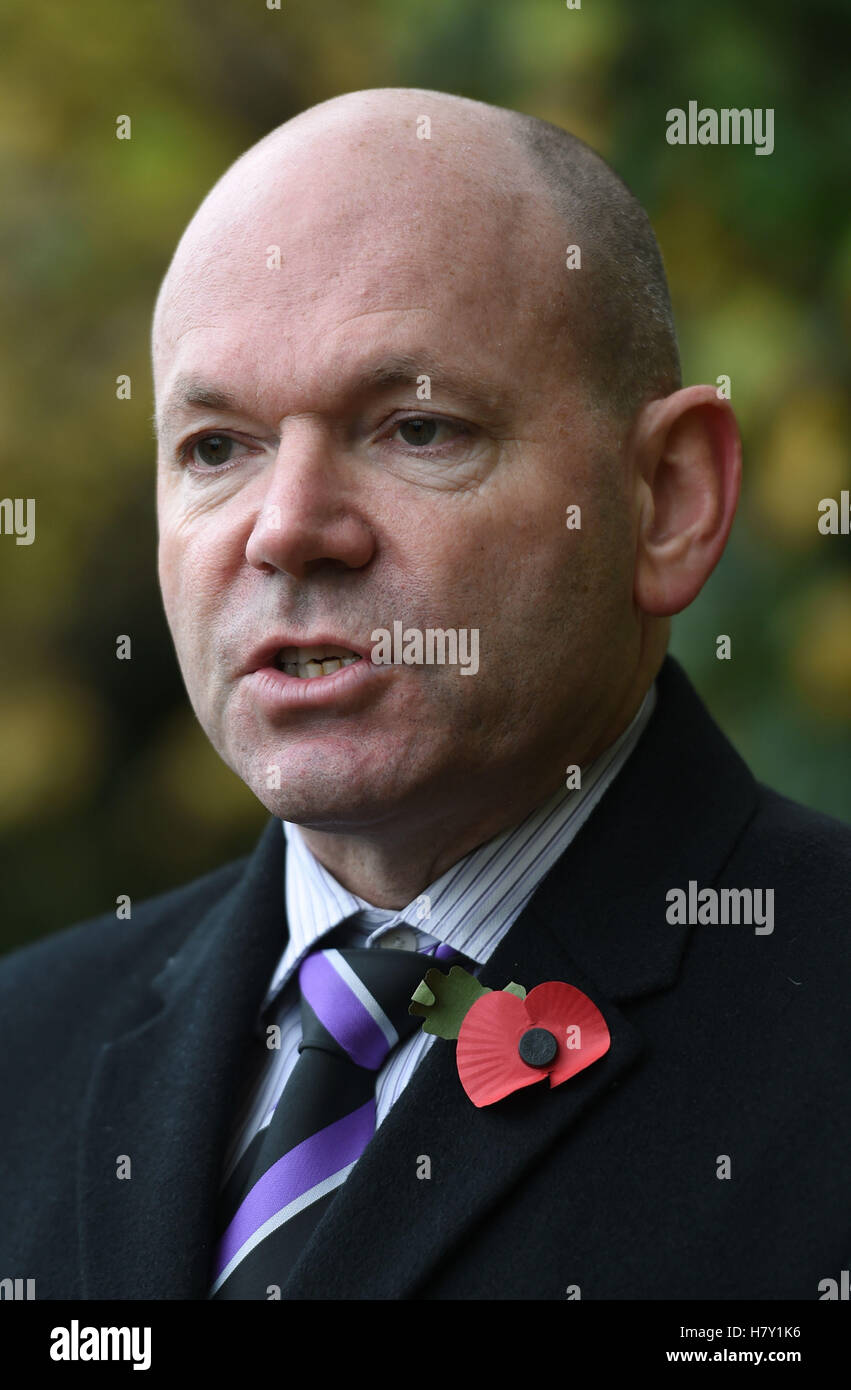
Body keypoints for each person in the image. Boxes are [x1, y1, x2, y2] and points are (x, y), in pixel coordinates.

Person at [0, 88, 848, 1302]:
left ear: (664, 499)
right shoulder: (22, 1045)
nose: (286, 529)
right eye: (215, 447)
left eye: (415, 428)